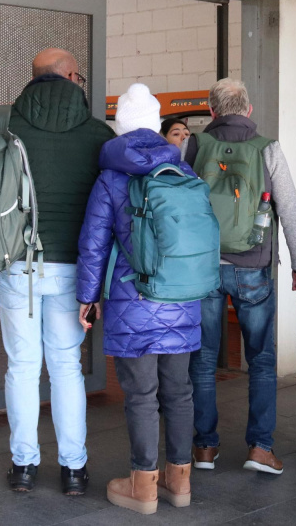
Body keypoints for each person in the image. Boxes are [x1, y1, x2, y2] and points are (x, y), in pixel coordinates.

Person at [0, 48, 114, 495]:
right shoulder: (98, 134)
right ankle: (73, 470)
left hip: (18, 262)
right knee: (67, 366)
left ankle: (24, 466)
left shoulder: (1, 123)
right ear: (71, 77)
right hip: (74, 269)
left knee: (22, 366)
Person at [77, 84, 201, 515]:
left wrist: (88, 297)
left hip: (133, 302)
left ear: (120, 128)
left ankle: (143, 486)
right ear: (155, 125)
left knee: (142, 395)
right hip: (182, 297)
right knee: (180, 392)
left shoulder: (111, 178)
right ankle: (179, 482)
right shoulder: (184, 172)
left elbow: (93, 245)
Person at [184, 77, 296, 475]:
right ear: (249, 110)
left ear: (211, 111)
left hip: (204, 267)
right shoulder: (267, 148)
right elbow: (290, 211)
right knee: (261, 359)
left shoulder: (195, 145)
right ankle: (260, 448)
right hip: (253, 267)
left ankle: (204, 448)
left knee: (203, 359)